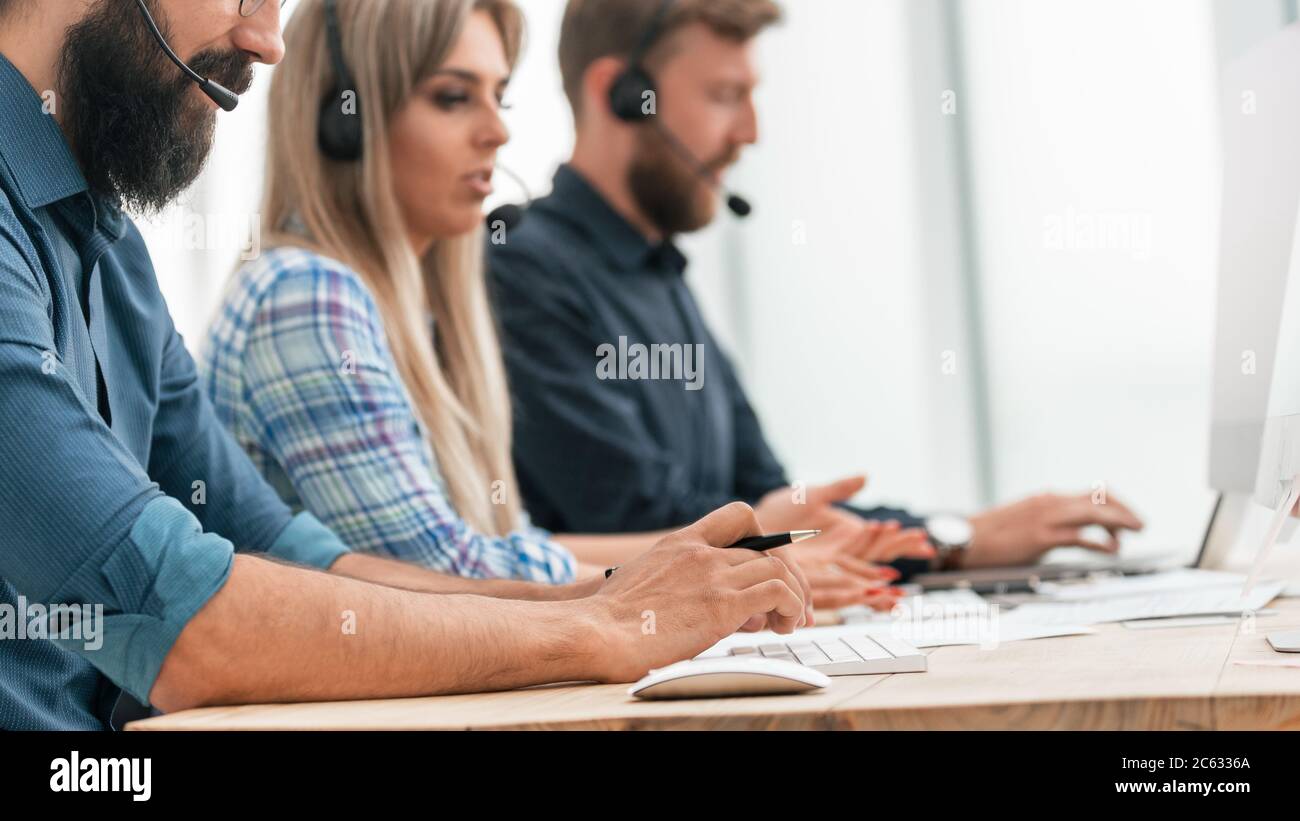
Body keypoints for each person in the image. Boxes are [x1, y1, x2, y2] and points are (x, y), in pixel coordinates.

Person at [0, 0, 809, 731]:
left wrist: (603, 598)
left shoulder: (112, 255)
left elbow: (297, 552)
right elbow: (180, 616)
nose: (266, 41)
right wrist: (597, 627)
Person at [201, 0, 903, 609]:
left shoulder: (417, 312)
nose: (497, 132)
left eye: (499, 98)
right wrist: (721, 567)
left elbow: (503, 548)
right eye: (453, 97)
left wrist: (729, 558)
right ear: (342, 121)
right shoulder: (306, 296)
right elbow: (442, 574)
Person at [488, 0, 1145, 574]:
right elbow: (663, 530)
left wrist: (957, 532)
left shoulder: (661, 273)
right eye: (724, 95)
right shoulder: (521, 273)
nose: (750, 132)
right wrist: (956, 540)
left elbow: (769, 499)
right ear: (620, 93)